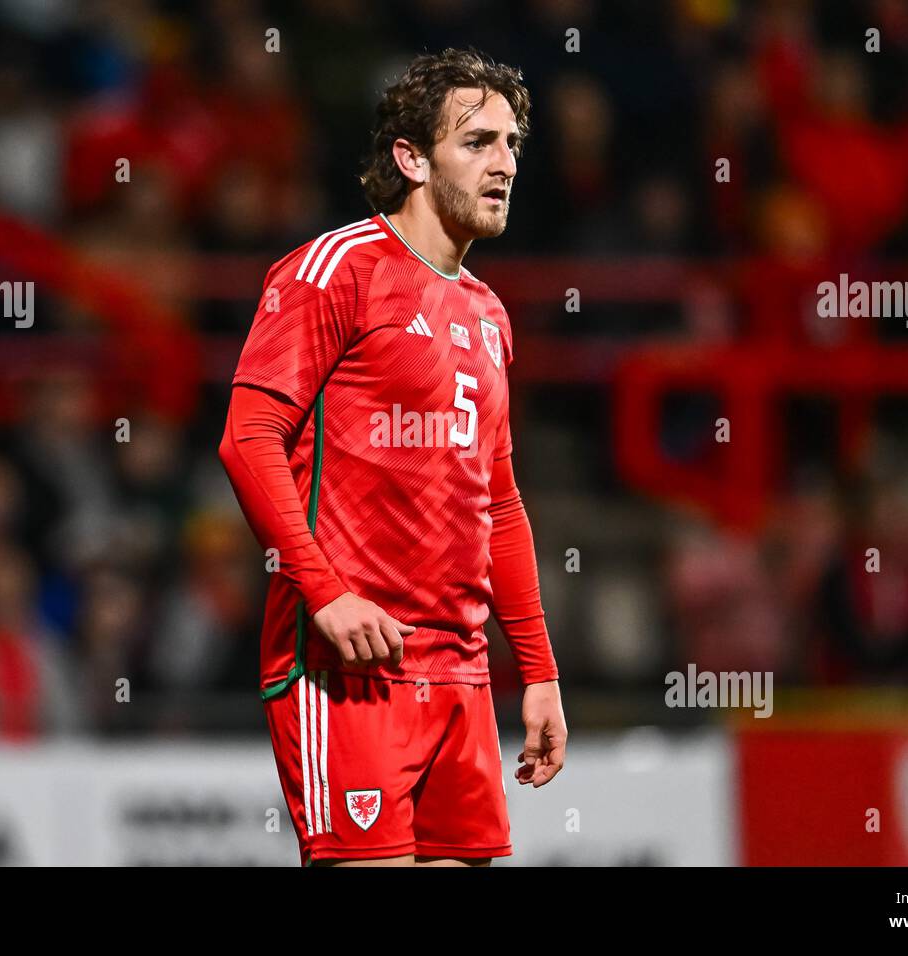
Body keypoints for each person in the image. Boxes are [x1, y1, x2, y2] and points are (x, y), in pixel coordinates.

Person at [218, 48, 566, 867]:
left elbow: (500, 503)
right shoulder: (333, 272)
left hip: (464, 677)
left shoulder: (489, 314)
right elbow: (245, 438)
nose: (506, 164)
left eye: (512, 144)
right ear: (411, 158)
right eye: (477, 142)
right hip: (350, 669)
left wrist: (539, 670)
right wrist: (327, 593)